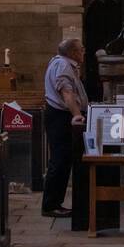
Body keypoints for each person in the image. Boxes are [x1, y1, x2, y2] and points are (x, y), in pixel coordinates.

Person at [42, 37, 88, 217]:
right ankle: (50, 205)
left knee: (64, 160)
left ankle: (55, 203)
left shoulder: (64, 64)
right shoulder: (62, 66)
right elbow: (66, 92)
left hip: (60, 116)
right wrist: (77, 114)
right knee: (59, 161)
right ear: (72, 52)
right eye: (81, 49)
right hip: (60, 117)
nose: (84, 52)